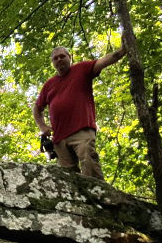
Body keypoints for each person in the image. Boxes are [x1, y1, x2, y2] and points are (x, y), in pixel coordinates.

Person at [32, 44, 125, 179]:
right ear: (52, 63)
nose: (59, 59)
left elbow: (104, 61)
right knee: (66, 176)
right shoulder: (49, 84)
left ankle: (99, 196)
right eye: (55, 58)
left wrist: (122, 50)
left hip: (81, 130)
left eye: (62, 56)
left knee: (88, 159)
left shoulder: (81, 69)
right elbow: (37, 108)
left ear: (69, 57)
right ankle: (75, 200)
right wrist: (42, 126)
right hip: (59, 137)